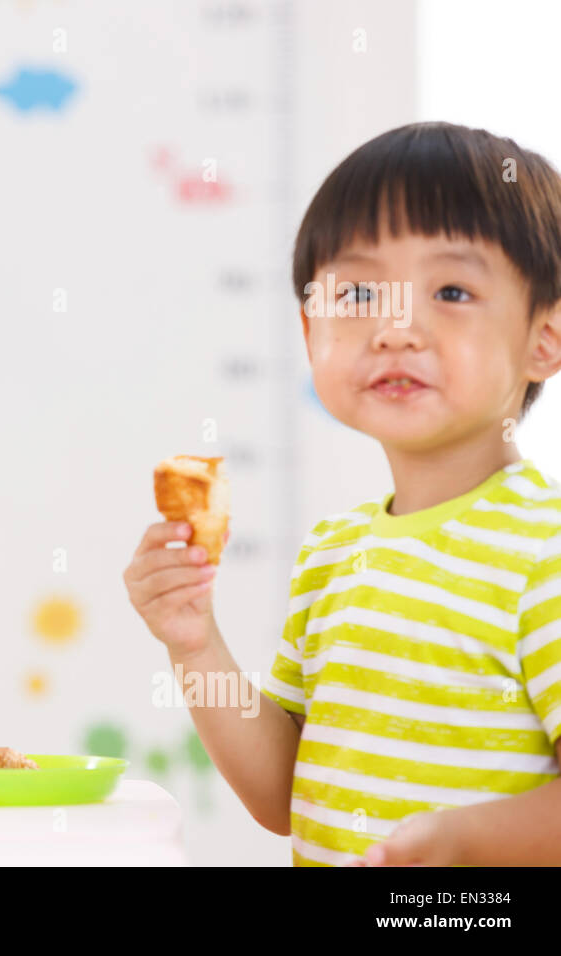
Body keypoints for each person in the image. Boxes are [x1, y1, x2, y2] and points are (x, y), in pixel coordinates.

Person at [125, 122, 561, 865]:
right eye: (358, 293)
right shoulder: (335, 552)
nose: (395, 328)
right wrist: (195, 644)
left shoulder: (543, 553)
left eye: (450, 290)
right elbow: (281, 796)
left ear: (544, 339)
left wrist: (465, 842)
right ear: (309, 333)